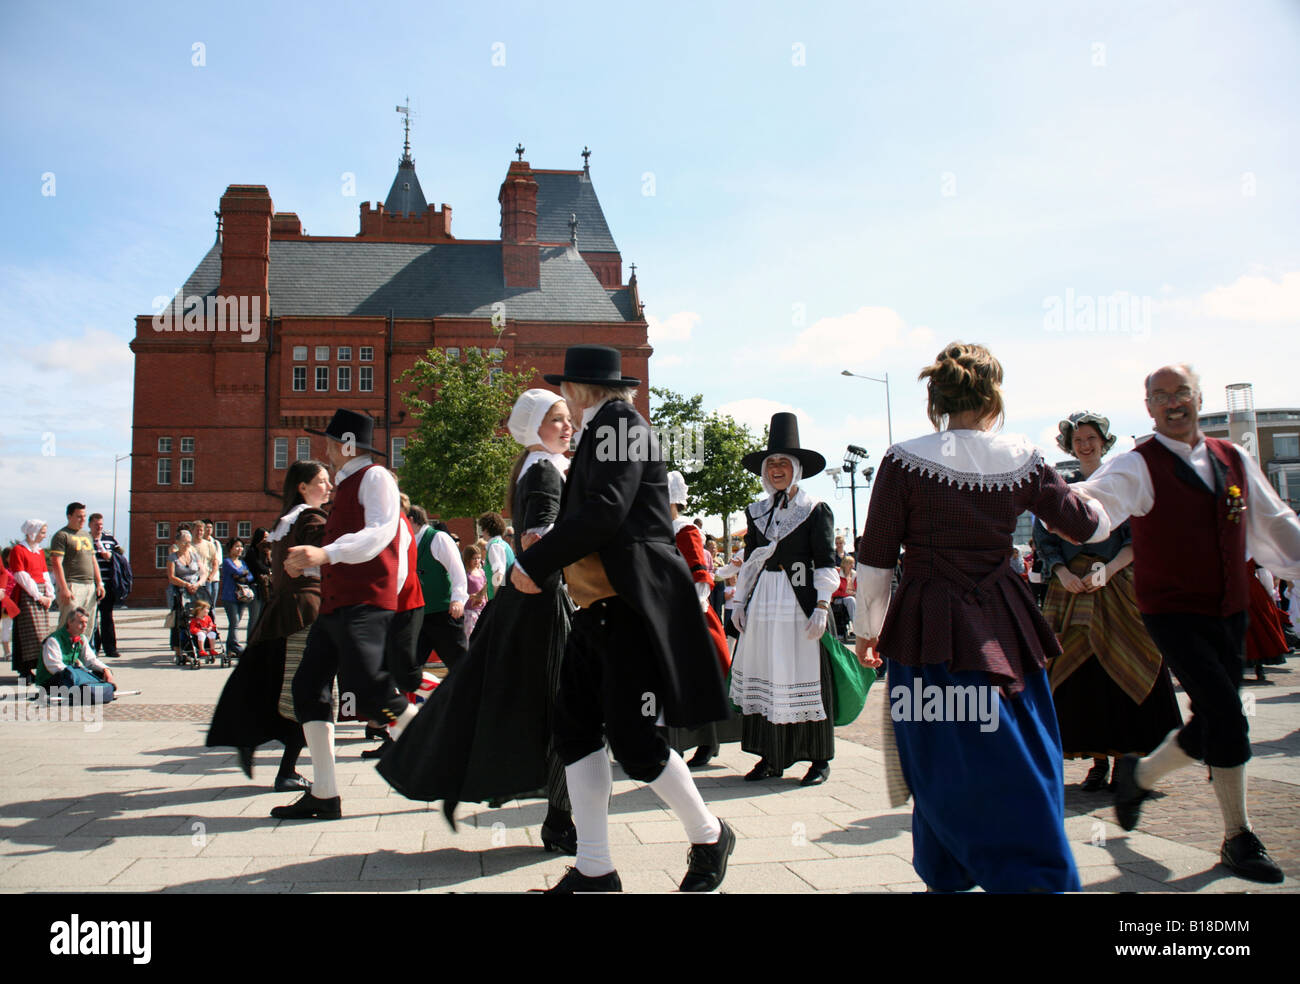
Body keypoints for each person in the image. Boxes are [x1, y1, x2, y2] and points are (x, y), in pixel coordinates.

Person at [855, 342, 1111, 893]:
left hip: (928, 622)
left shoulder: (902, 459)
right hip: (1003, 621)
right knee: (1019, 749)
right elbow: (1087, 527)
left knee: (938, 753)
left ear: (936, 396)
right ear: (994, 395)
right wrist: (1108, 491)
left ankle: (949, 873)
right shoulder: (1023, 456)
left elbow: (875, 557)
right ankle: (1032, 870)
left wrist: (868, 631)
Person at [509, 347, 733, 892]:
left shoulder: (623, 425)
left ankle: (709, 836)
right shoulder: (605, 430)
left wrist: (537, 561)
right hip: (597, 608)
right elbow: (595, 513)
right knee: (575, 731)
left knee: (634, 742)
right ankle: (595, 868)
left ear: (582, 389)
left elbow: (605, 511)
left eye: (567, 390)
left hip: (629, 606)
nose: (565, 400)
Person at [1075, 363, 1300, 884]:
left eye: (1182, 393)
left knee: (1213, 717)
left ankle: (1140, 773)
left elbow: (1275, 527)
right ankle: (1239, 836)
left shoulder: (1234, 458)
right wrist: (1055, 501)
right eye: (1161, 396)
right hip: (1171, 610)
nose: (1173, 403)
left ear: (1198, 398)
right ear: (1148, 406)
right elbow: (1094, 504)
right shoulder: (1139, 464)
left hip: (1229, 606)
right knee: (1226, 711)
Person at [379, 389, 577, 853]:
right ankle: (561, 818)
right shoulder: (545, 470)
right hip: (546, 606)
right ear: (534, 427)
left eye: (568, 420)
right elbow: (536, 540)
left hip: (532, 604)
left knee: (540, 707)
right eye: (557, 420)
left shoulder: (537, 466)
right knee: (563, 708)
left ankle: (559, 812)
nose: (567, 428)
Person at [272, 409, 419, 820]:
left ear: (339, 445)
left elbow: (379, 534)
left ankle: (438, 746)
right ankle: (325, 792)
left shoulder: (375, 477)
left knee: (370, 691)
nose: (325, 448)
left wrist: (324, 553)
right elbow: (350, 545)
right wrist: (313, 563)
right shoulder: (346, 485)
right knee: (308, 689)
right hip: (340, 604)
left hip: (367, 602)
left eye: (328, 441)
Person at [1032, 411, 1182, 791]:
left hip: (1115, 583)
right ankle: (1096, 762)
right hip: (1071, 589)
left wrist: (1109, 570)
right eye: (1077, 438)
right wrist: (1064, 574)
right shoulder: (1060, 487)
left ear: (1103, 441)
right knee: (1080, 676)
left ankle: (1125, 760)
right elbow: (1046, 543)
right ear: (1070, 444)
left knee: (1124, 665)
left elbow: (1138, 539)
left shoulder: (1122, 483)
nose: (1084, 444)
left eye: (1090, 437)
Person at [729, 414, 840, 787]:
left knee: (804, 674)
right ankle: (771, 757)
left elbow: (826, 560)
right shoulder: (757, 511)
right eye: (771, 463)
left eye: (783, 463)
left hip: (801, 603)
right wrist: (740, 602)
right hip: (764, 603)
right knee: (767, 672)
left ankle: (819, 758)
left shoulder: (815, 509)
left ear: (796, 469)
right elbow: (749, 562)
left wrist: (823, 604)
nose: (776, 469)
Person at [209, 459, 331, 792]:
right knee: (307, 691)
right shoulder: (311, 517)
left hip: (283, 611)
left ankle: (258, 745)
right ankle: (287, 770)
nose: (329, 486)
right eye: (323, 481)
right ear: (303, 487)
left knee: (281, 685)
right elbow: (326, 550)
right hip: (304, 612)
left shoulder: (284, 521)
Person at [664, 471, 739, 769]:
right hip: (665, 614)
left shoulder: (685, 530)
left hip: (690, 616)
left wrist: (690, 612)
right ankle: (674, 743)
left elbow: (700, 574)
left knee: (699, 681)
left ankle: (708, 742)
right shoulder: (657, 529)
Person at [412, 508, 468, 672]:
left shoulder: (438, 538)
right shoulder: (407, 542)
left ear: (410, 519)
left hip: (444, 613)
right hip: (419, 613)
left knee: (459, 664)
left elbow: (457, 570)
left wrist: (458, 599)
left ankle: (474, 695)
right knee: (411, 665)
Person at [37, 606, 116, 703]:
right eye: (80, 622)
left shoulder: (82, 638)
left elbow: (90, 659)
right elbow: (54, 667)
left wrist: (105, 669)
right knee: (78, 677)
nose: (84, 625)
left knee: (99, 672)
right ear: (70, 622)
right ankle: (92, 690)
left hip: (69, 675)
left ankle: (96, 689)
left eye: (86, 622)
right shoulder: (53, 640)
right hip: (51, 680)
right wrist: (79, 675)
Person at [9, 520, 55, 683]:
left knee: (41, 633)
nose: (44, 536)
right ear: (32, 532)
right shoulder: (18, 550)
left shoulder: (39, 552)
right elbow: (21, 575)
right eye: (42, 532)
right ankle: (25, 670)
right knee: (28, 632)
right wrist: (38, 595)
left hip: (40, 592)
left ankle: (39, 666)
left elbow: (45, 573)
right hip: (27, 594)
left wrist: (49, 595)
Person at [49, 502, 104, 634]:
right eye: (79, 516)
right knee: (69, 623)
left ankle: (81, 653)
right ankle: (63, 652)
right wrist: (64, 588)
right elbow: (56, 562)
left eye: (84, 516)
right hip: (72, 584)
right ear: (69, 516)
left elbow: (93, 560)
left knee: (88, 625)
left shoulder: (86, 535)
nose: (82, 519)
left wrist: (99, 583)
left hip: (89, 586)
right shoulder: (62, 535)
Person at [1243, 561, 1289, 682]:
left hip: (1233, 589)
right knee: (1257, 628)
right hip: (1251, 590)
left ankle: (1246, 668)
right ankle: (1259, 668)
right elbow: (1264, 574)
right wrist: (1269, 594)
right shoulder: (1251, 550)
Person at [87, 514, 123, 660]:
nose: (99, 527)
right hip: (91, 583)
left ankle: (111, 648)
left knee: (107, 616)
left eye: (101, 524)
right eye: (96, 524)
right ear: (90, 525)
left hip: (108, 583)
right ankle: (93, 647)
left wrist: (111, 556)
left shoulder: (109, 538)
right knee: (91, 617)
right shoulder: (85, 539)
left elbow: (121, 555)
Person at [166, 530, 203, 656]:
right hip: (178, 591)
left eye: (189, 542)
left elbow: (203, 572)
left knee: (196, 617)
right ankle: (178, 650)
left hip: (195, 590)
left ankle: (197, 646)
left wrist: (197, 584)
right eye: (184, 542)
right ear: (177, 542)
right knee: (178, 620)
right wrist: (186, 584)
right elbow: (171, 577)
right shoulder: (172, 557)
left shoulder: (195, 555)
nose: (187, 545)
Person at [219, 538, 255, 658]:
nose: (240, 549)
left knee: (236, 622)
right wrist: (242, 574)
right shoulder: (227, 561)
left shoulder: (243, 562)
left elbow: (250, 576)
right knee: (234, 621)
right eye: (237, 546)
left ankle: (230, 647)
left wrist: (243, 576)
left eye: (241, 547)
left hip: (243, 596)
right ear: (230, 548)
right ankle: (235, 646)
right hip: (230, 596)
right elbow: (237, 572)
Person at [479, 512, 513, 602]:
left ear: (486, 529)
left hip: (503, 600)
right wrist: (480, 595)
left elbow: (498, 575)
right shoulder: (504, 544)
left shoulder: (494, 546)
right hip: (509, 596)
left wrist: (497, 603)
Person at [246, 527, 273, 630]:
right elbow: (259, 566)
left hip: (266, 587)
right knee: (254, 617)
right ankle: (251, 641)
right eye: (264, 537)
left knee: (263, 617)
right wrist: (269, 571)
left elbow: (272, 565)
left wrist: (269, 554)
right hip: (255, 586)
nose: (266, 540)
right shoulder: (252, 551)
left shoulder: (267, 551)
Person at [461, 545, 487, 640]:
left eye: (478, 558)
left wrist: (486, 601)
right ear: (468, 559)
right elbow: (461, 591)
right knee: (470, 636)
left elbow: (485, 590)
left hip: (482, 608)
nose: (477, 561)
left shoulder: (482, 572)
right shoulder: (465, 574)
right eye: (474, 558)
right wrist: (470, 596)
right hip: (469, 610)